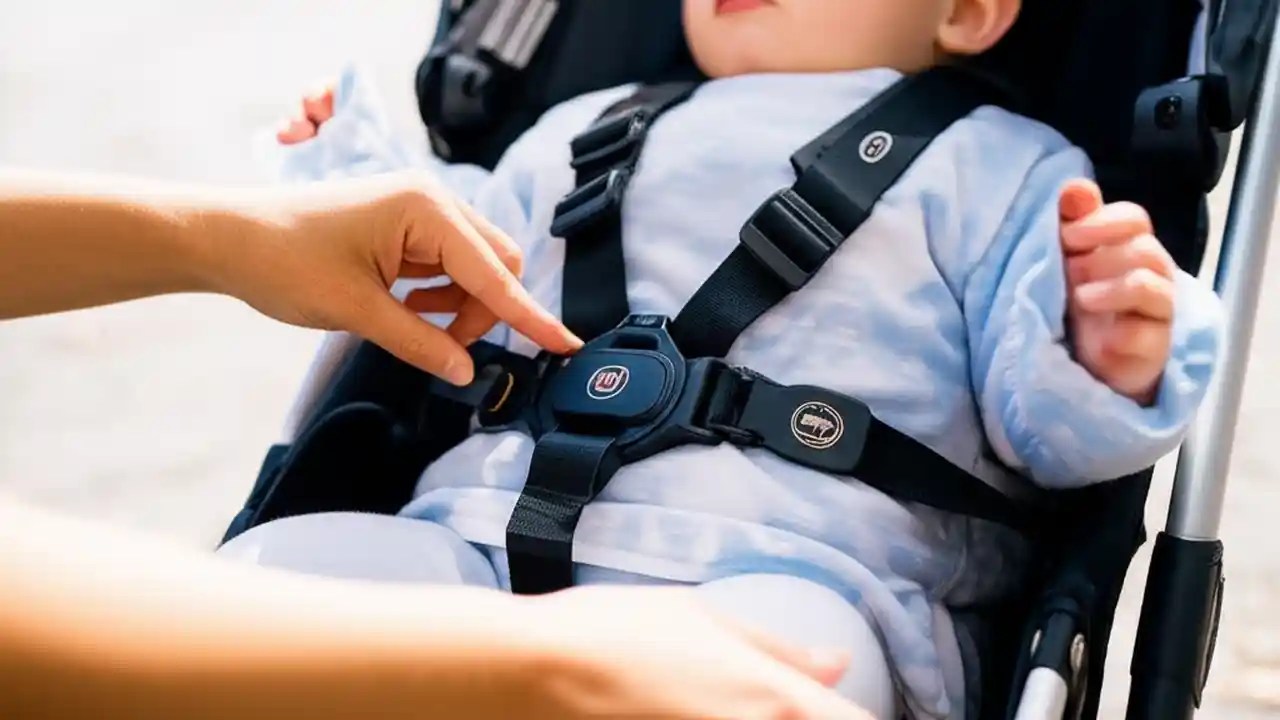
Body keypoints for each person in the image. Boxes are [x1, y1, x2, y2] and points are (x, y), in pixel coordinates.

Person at [239, 0, 1225, 717]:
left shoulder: (1006, 166)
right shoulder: (570, 131)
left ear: (965, 12)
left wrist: (1107, 353)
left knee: (798, 673)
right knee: (267, 583)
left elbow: (1053, 443)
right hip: (479, 548)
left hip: (798, 578)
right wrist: (356, 186)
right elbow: (440, 296)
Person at [0, 168, 869, 719]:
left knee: (799, 642)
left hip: (771, 571)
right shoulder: (578, 138)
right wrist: (532, 669)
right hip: (475, 560)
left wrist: (223, 236)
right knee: (295, 557)